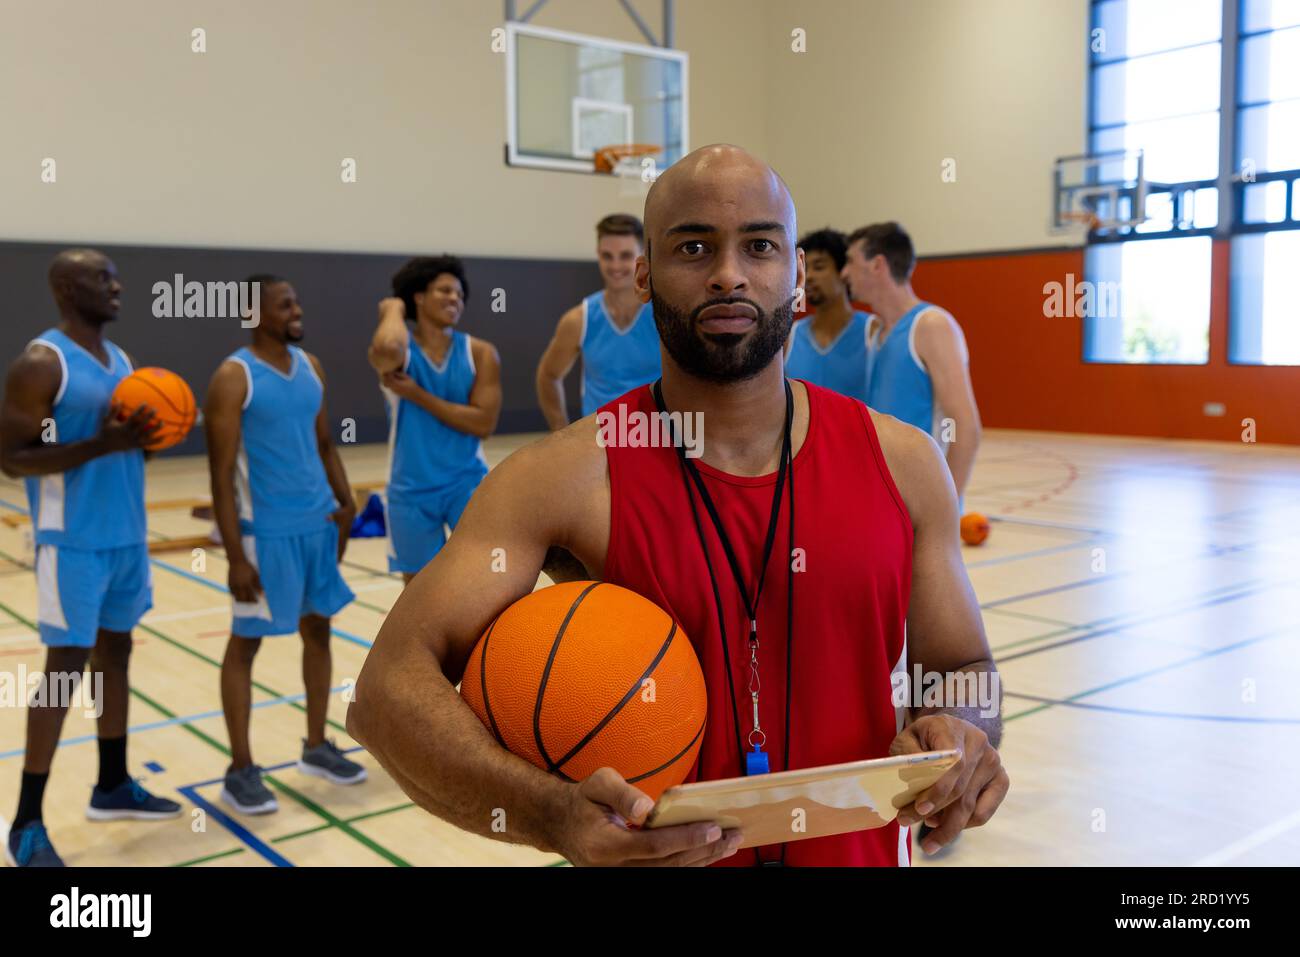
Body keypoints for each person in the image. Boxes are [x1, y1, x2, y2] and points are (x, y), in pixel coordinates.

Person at [348, 145, 1008, 867]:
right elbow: (385, 689)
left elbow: (963, 661)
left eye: (759, 245)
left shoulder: (905, 462)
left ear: (795, 279)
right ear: (644, 274)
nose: (729, 273)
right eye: (693, 246)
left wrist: (962, 726)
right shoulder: (563, 476)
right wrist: (547, 812)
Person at [1, 249, 180, 867]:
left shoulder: (123, 362)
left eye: (114, 275)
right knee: (64, 668)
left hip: (125, 535)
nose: (117, 286)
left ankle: (111, 784)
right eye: (101, 278)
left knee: (117, 652)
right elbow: (13, 457)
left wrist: (147, 441)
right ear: (64, 288)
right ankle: (26, 821)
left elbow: (124, 450)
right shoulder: (41, 363)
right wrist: (103, 443)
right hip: (71, 540)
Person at [204, 274, 364, 815]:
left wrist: (346, 503)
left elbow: (324, 445)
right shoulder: (233, 377)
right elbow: (222, 476)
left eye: (297, 300)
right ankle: (240, 769)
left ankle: (317, 746)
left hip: (316, 525)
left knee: (318, 630)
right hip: (263, 535)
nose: (298, 310)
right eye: (286, 304)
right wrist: (234, 557)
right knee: (245, 644)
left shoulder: (311, 367)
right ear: (255, 313)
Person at [368, 256, 501, 583]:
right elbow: (386, 347)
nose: (455, 298)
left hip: (467, 483)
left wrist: (418, 395)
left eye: (459, 293)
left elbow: (483, 423)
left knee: (481, 582)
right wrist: (392, 309)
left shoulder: (480, 352)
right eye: (444, 290)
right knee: (419, 593)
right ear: (419, 296)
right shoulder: (401, 352)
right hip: (410, 489)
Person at [842, 222, 982, 502]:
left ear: (877, 265)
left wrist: (946, 507)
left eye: (850, 262)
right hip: (884, 496)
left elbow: (966, 427)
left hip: (922, 500)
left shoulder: (931, 325)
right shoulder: (875, 331)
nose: (844, 273)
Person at [535, 214, 662, 430]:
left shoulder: (663, 314)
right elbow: (548, 375)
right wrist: (561, 434)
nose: (615, 265)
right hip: (599, 444)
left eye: (625, 255)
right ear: (598, 255)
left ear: (643, 258)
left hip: (656, 439)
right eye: (607, 256)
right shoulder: (578, 320)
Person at [784, 228, 870, 402]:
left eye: (819, 266)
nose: (809, 276)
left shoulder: (872, 332)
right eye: (805, 268)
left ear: (843, 271)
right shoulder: (789, 336)